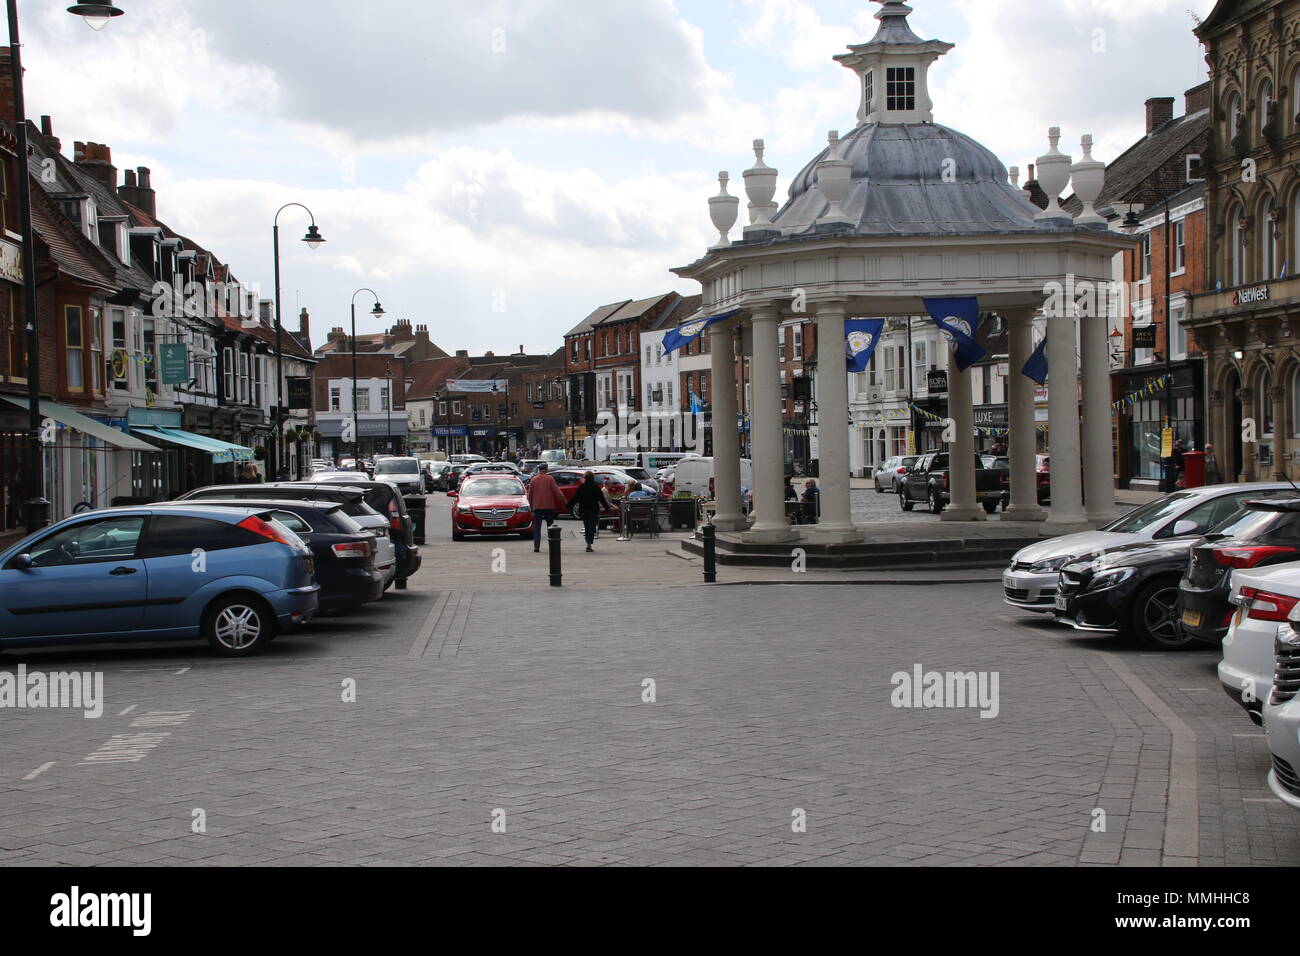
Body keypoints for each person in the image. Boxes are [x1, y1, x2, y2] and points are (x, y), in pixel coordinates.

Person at [526, 461, 565, 553]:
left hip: (537, 507)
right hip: (548, 507)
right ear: (546, 469)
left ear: (539, 470)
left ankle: (536, 546)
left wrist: (531, 507)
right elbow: (557, 491)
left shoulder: (534, 479)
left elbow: (530, 495)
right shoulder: (550, 478)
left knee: (537, 528)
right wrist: (564, 500)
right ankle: (552, 546)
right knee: (550, 527)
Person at [573, 471, 611, 552]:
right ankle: (589, 544)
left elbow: (575, 498)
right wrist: (607, 508)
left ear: (585, 478)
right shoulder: (595, 487)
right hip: (593, 510)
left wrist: (568, 505)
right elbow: (601, 498)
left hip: (583, 510)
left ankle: (588, 544)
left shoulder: (581, 487)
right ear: (593, 478)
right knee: (591, 527)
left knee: (587, 526)